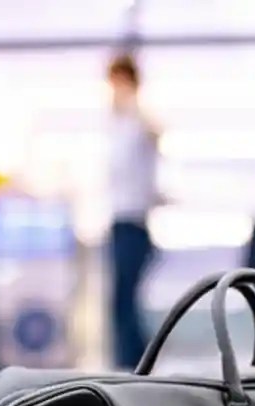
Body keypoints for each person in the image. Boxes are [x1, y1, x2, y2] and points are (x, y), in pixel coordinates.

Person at [106, 53, 160, 369]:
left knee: (124, 300)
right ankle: (131, 362)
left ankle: (136, 364)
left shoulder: (140, 124)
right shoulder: (116, 125)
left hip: (134, 223)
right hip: (119, 222)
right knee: (120, 301)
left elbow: (153, 135)